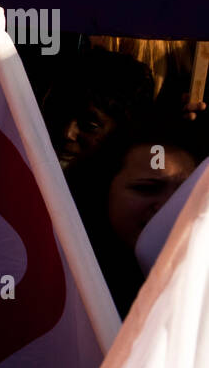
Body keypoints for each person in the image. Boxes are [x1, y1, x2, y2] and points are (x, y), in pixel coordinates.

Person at [68, 118, 203, 315]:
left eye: (185, 192)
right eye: (147, 189)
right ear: (103, 191)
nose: (168, 207)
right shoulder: (61, 278)